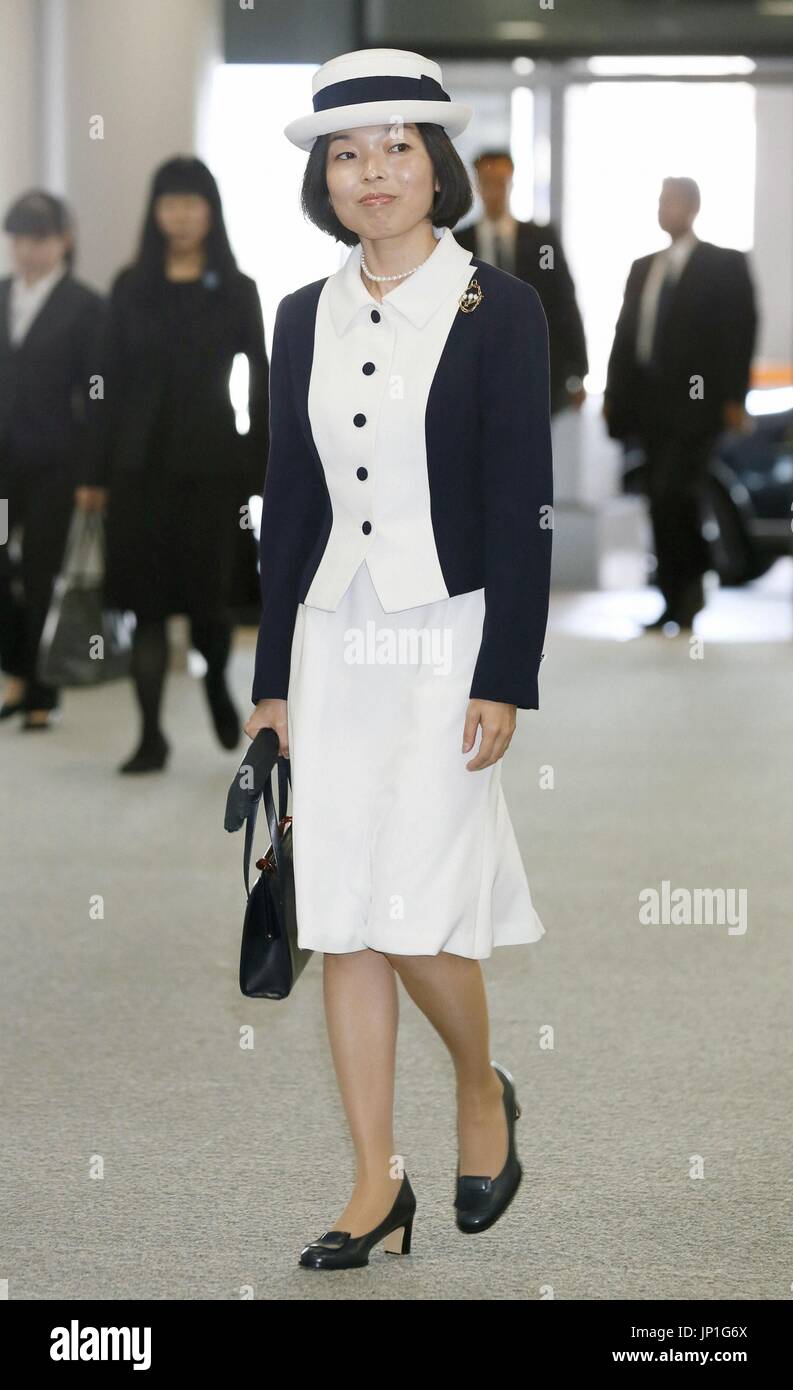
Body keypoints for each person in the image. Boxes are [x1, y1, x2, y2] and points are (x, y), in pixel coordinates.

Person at [244, 48, 553, 1270]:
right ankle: (375, 1179)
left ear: (435, 168)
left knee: (420, 912)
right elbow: (289, 499)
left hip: (446, 637)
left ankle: (481, 1089)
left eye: (396, 148)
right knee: (343, 914)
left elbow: (525, 500)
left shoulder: (500, 310)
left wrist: (506, 673)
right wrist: (270, 682)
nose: (371, 173)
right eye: (346, 153)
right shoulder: (298, 314)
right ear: (324, 179)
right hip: (333, 640)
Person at [75, 157, 269, 772]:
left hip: (214, 465)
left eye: (191, 202)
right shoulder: (131, 285)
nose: (180, 214)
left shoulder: (237, 288)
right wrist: (93, 472)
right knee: (147, 604)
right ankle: (151, 734)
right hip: (139, 469)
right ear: (155, 212)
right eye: (169, 203)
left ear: (210, 210)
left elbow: (259, 379)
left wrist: (262, 465)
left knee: (210, 602)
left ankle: (214, 679)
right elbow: (103, 380)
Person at [604, 176, 757, 630]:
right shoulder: (642, 267)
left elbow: (740, 332)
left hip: (699, 406)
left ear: (691, 207)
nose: (661, 208)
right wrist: (614, 397)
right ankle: (675, 596)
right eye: (659, 200)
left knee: (677, 493)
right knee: (658, 498)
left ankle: (690, 590)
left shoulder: (725, 265)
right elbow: (625, 337)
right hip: (648, 407)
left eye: (669, 201)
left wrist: (734, 397)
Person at [0, 191, 103, 729]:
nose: (26, 250)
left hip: (53, 470)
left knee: (42, 572)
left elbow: (96, 399)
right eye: (16, 238)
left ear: (64, 239)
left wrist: (92, 474)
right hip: (1, 473)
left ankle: (42, 691)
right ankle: (15, 668)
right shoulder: (0, 295)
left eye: (37, 238)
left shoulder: (85, 305)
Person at [455, 149, 588, 415]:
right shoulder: (457, 244)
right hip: (474, 372)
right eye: (488, 182)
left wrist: (578, 370)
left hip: (533, 366)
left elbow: (564, 302)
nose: (495, 190)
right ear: (477, 185)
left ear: (511, 182)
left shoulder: (541, 240)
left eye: (501, 182)